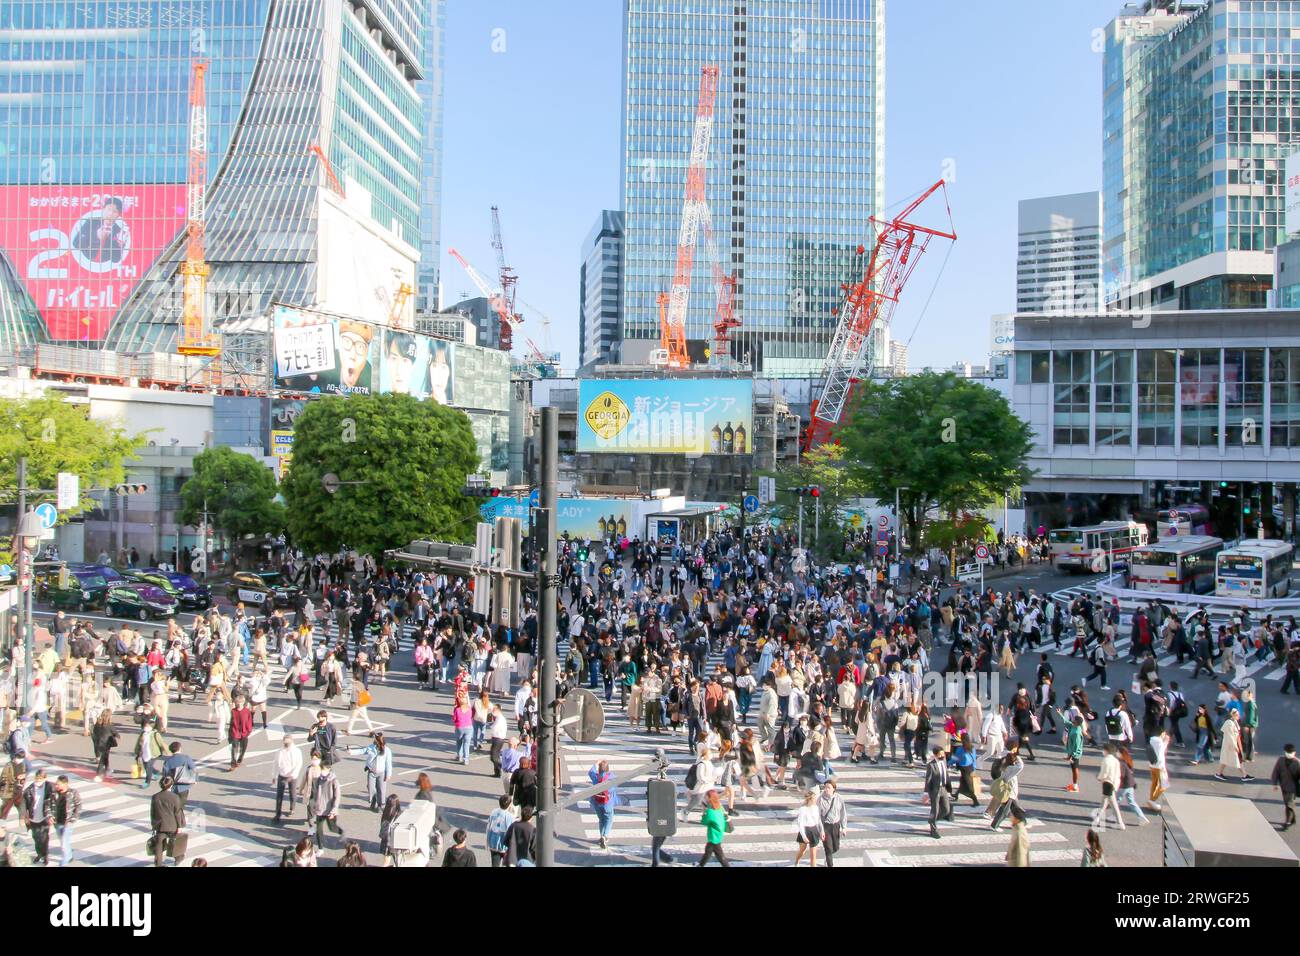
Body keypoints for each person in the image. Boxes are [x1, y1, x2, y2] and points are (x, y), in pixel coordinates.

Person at [149, 776, 185, 867]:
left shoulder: (155, 797)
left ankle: (158, 864)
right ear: (171, 785)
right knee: (175, 842)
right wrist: (179, 826)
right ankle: (178, 858)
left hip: (160, 825)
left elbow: (153, 812)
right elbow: (177, 813)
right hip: (172, 825)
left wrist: (153, 825)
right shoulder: (175, 797)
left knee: (159, 846)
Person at [308, 761, 344, 850]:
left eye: (324, 770)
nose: (322, 772)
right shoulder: (319, 780)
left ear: (329, 770)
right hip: (320, 809)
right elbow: (316, 794)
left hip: (330, 810)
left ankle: (341, 832)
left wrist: (334, 810)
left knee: (332, 828)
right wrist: (314, 805)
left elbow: (337, 797)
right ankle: (320, 848)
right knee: (319, 830)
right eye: (321, 770)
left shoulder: (334, 781)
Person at [22, 769, 53, 865]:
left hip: (44, 817)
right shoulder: (29, 790)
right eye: (37, 779)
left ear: (45, 778)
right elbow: (24, 805)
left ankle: (45, 856)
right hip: (33, 818)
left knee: (44, 838)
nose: (38, 781)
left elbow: (53, 802)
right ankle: (39, 854)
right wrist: (24, 817)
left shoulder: (49, 787)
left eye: (40, 779)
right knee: (36, 838)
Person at [272, 735, 303, 823]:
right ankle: (278, 813)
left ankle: (292, 808)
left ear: (292, 742)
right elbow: (275, 763)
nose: (286, 744)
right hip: (282, 775)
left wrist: (293, 775)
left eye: (288, 743)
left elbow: (298, 764)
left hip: (292, 776)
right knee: (279, 795)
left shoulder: (296, 751)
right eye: (285, 742)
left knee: (292, 793)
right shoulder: (280, 751)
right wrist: (274, 776)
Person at [588, 759, 618, 850]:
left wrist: (596, 763)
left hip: (597, 802)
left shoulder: (595, 777)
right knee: (609, 819)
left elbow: (590, 772)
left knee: (601, 819)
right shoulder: (611, 777)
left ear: (599, 769)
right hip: (607, 803)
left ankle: (601, 835)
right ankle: (605, 836)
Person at [925, 745, 953, 839]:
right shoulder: (931, 765)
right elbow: (928, 780)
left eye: (943, 754)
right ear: (935, 755)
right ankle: (933, 829)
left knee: (946, 809)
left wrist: (949, 789)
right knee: (935, 809)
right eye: (940, 754)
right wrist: (926, 793)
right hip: (935, 790)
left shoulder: (944, 762)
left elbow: (946, 775)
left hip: (944, 789)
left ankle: (932, 820)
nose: (942, 756)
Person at [1270, 743, 1300, 831]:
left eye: (1291, 752)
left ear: (1294, 753)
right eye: (1288, 752)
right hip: (1283, 786)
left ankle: (1288, 822)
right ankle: (1293, 819)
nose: (1289, 753)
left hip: (1293, 787)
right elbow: (1276, 772)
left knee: (1289, 804)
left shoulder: (1297, 762)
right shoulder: (1280, 760)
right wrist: (1275, 784)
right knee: (1287, 803)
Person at [1215, 709, 1251, 782]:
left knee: (1227, 759)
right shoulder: (1229, 723)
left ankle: (1219, 773)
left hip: (1232, 744)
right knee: (1237, 759)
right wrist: (1235, 746)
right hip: (1230, 745)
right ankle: (1244, 775)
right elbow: (1230, 736)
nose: (1238, 716)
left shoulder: (1234, 722)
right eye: (1237, 715)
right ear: (1233, 715)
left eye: (1238, 714)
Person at [698, 789, 730, 867]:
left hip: (714, 836)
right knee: (709, 852)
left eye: (706, 797)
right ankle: (701, 865)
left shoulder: (710, 811)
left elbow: (704, 821)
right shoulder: (719, 807)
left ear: (709, 798)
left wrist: (704, 811)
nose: (705, 798)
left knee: (719, 856)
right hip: (718, 833)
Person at [817, 780, 846, 868]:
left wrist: (844, 827)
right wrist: (821, 830)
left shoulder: (839, 798)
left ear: (834, 789)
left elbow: (843, 813)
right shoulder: (820, 799)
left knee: (835, 847)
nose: (826, 789)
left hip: (836, 825)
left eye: (828, 788)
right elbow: (818, 816)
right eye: (825, 787)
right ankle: (829, 863)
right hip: (826, 826)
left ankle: (828, 856)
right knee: (828, 848)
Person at [1096, 743, 1124, 832]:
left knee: (1112, 803)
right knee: (1105, 801)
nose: (1103, 751)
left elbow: (1104, 773)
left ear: (1106, 751)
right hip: (1114, 783)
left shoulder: (1106, 760)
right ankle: (1098, 818)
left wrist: (1099, 777)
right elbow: (1118, 773)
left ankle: (1120, 823)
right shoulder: (1116, 761)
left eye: (1103, 750)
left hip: (1107, 783)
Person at [792, 789, 823, 867]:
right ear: (810, 799)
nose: (816, 800)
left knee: (813, 855)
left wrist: (821, 831)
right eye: (814, 799)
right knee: (802, 850)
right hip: (805, 831)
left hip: (814, 830)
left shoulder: (815, 807)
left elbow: (818, 820)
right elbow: (800, 824)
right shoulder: (803, 809)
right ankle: (797, 861)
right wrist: (804, 836)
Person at [162, 742, 197, 806]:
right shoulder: (186, 758)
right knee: (181, 805)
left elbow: (165, 774)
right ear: (180, 748)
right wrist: (195, 780)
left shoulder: (168, 761)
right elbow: (194, 769)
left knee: (172, 804)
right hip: (184, 786)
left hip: (172, 786)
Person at [486, 795, 514, 867]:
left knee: (495, 864)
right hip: (505, 846)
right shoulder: (510, 816)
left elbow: (488, 827)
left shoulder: (494, 812)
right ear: (509, 805)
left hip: (493, 844)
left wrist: (487, 842)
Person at [91, 710, 117, 782]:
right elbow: (114, 732)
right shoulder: (108, 725)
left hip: (99, 743)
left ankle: (107, 770)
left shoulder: (98, 723)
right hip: (106, 744)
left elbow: (95, 731)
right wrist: (116, 735)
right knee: (103, 759)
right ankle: (98, 775)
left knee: (105, 757)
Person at [228, 696, 253, 770]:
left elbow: (249, 721)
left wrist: (249, 731)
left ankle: (240, 759)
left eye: (240, 703)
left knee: (243, 748)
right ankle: (233, 764)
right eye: (237, 703)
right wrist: (230, 734)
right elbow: (231, 723)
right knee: (234, 748)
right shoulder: (233, 711)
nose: (238, 704)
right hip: (235, 732)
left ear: (243, 702)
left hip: (244, 732)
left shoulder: (247, 711)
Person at [1148, 728, 1169, 810]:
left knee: (1154, 783)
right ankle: (1152, 800)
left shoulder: (1151, 740)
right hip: (1160, 766)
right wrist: (1166, 741)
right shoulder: (1160, 742)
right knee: (1164, 785)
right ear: (1162, 733)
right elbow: (1162, 751)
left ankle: (1151, 799)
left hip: (1152, 765)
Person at [1063, 714, 1085, 792]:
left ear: (1077, 722)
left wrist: (1071, 756)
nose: (1073, 720)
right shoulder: (1073, 726)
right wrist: (1060, 713)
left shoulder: (1076, 733)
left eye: (1074, 719)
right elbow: (1067, 722)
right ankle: (1074, 784)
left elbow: (1076, 746)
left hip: (1075, 754)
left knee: (1074, 769)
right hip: (1071, 753)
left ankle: (1075, 787)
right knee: (1074, 768)